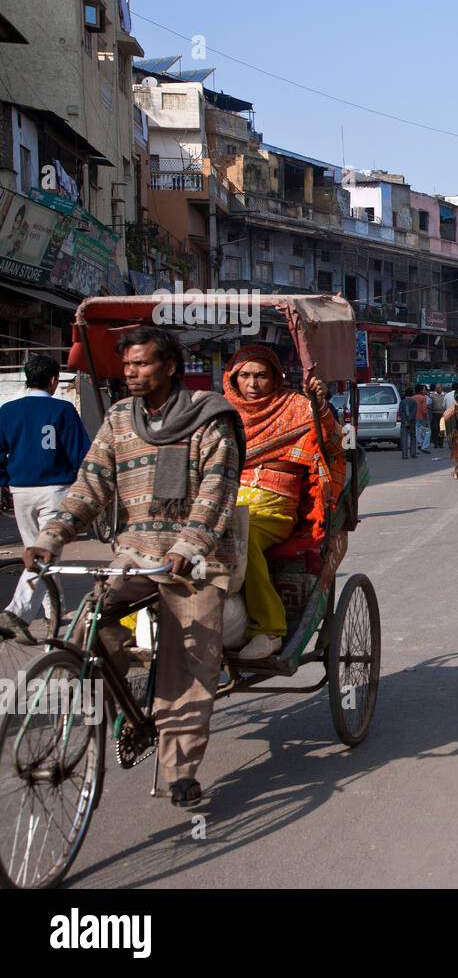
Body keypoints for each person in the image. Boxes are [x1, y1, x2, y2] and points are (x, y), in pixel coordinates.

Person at [24, 327, 244, 808]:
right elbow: (90, 483)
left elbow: (217, 489)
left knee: (187, 660)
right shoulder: (120, 418)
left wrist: (189, 545)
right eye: (127, 366)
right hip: (136, 550)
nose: (132, 372)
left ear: (168, 366)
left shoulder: (209, 417)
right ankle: (114, 705)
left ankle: (180, 769)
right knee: (88, 623)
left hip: (197, 561)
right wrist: (51, 537)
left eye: (142, 364)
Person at [222, 345, 345, 660]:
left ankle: (269, 629)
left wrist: (320, 406)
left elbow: (336, 441)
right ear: (233, 379)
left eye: (261, 375)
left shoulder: (296, 406)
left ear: (274, 377)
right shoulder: (220, 412)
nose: (252, 384)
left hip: (274, 507)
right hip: (223, 502)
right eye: (244, 376)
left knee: (241, 538)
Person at [0, 354, 91, 639]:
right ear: (54, 380)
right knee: (44, 553)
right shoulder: (62, 410)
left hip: (20, 490)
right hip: (55, 490)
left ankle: (54, 609)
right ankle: (16, 613)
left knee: (37, 549)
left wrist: (4, 482)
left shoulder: (7, 411)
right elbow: (81, 453)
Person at [398, 388, 418, 459]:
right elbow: (413, 413)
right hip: (412, 422)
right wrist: (409, 421)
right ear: (412, 394)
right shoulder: (414, 402)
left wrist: (405, 421)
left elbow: (401, 412)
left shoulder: (402, 402)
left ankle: (404, 455)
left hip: (404, 422)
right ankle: (413, 453)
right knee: (413, 437)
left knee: (404, 438)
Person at [428, 385, 446, 450]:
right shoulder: (432, 395)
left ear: (441, 388)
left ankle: (441, 443)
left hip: (442, 414)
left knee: (442, 429)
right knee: (435, 429)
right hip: (434, 413)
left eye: (439, 388)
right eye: (437, 388)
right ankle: (435, 443)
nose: (438, 389)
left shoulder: (445, 395)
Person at [414, 385, 430, 453]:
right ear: (420, 391)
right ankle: (424, 446)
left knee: (416, 432)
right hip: (422, 418)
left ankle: (416, 448)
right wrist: (426, 420)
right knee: (428, 431)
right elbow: (424, 411)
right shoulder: (423, 398)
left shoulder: (412, 398)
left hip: (414, 417)